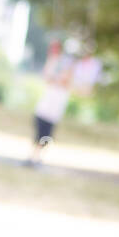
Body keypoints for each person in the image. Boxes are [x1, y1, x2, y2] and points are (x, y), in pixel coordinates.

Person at [25, 38, 77, 166]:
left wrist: (57, 79)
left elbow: (64, 80)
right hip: (46, 103)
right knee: (38, 128)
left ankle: (39, 157)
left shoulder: (67, 64)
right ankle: (33, 155)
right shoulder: (53, 62)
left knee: (46, 133)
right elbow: (47, 77)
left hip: (55, 105)